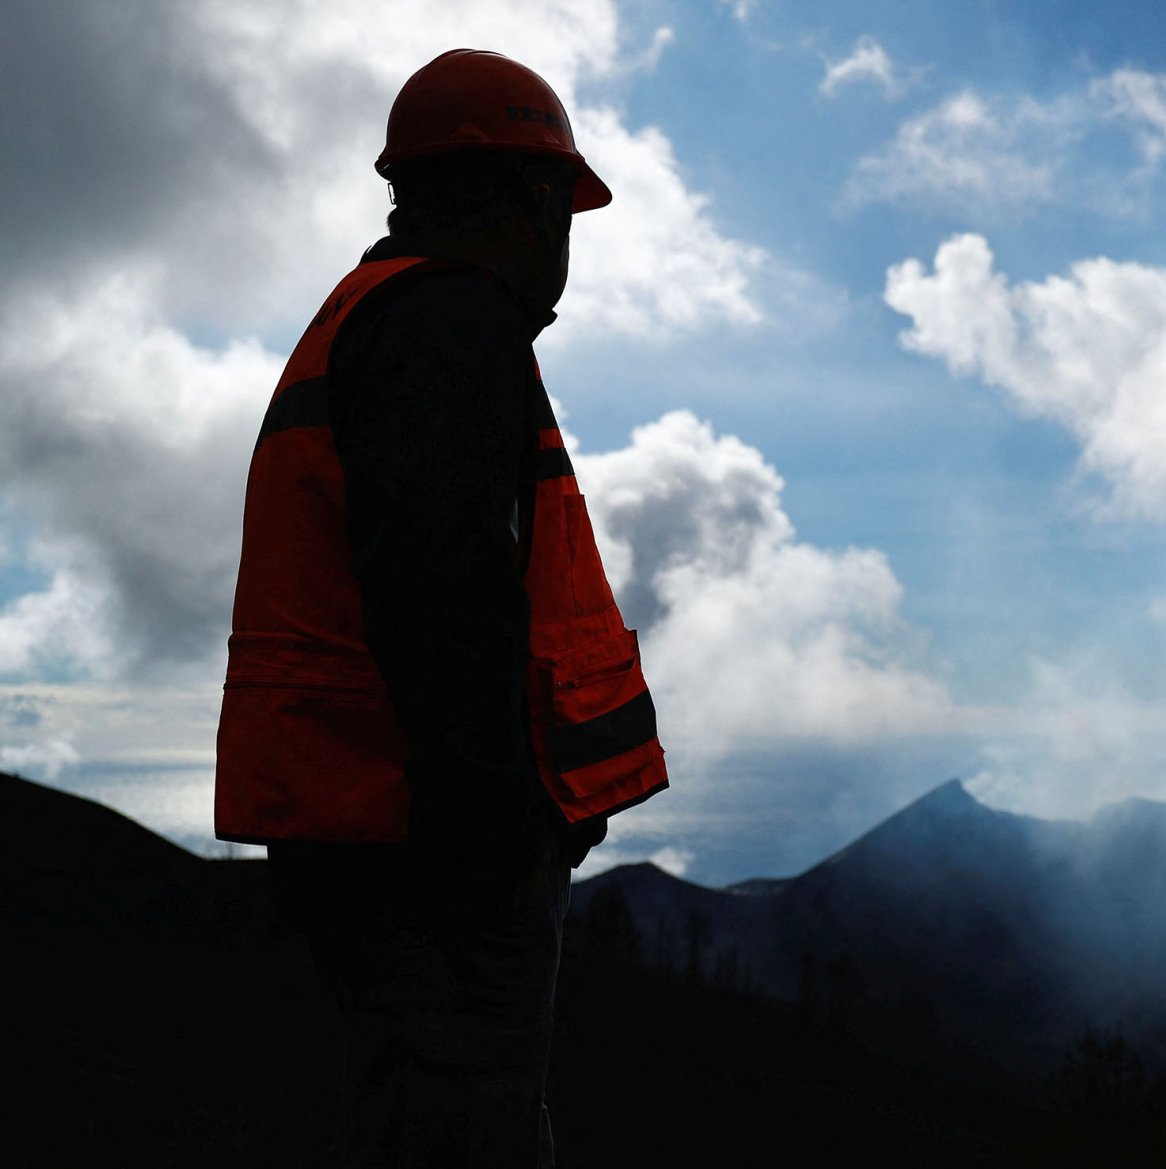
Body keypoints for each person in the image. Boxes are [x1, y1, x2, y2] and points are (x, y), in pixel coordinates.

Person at [213, 48, 668, 1167]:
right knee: (466, 1131)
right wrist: (501, 828)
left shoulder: (368, 318)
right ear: (526, 200)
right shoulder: (447, 325)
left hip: (368, 828)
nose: (564, 244)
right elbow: (445, 592)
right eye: (560, 207)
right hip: (427, 849)